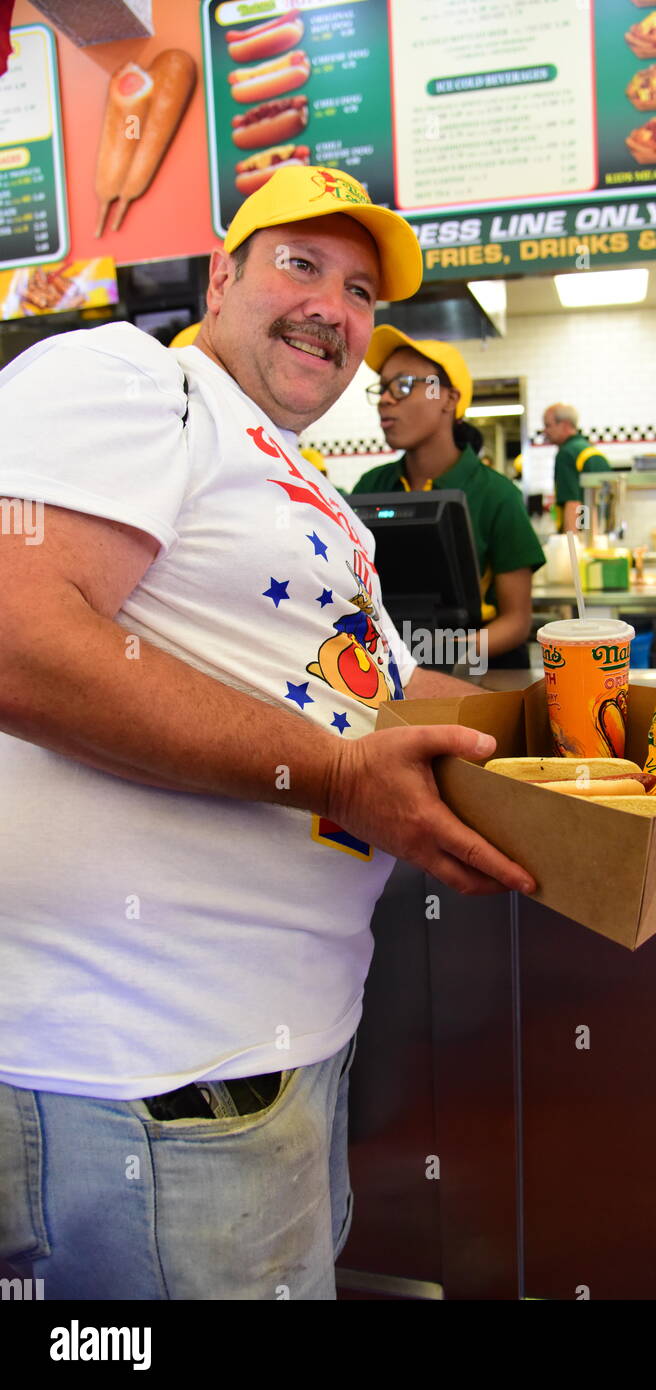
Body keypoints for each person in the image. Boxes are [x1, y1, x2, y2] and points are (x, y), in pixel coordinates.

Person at [0, 165, 535, 1302]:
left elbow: (355, 690)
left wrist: (547, 740)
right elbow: (18, 641)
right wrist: (344, 770)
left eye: (359, 293)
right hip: (152, 1080)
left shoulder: (304, 483)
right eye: (300, 264)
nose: (331, 311)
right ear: (221, 275)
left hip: (278, 1054)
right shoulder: (132, 380)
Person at [352, 328, 545, 669]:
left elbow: (516, 621)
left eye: (403, 385)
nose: (386, 398)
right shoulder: (371, 486)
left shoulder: (497, 494)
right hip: (387, 669)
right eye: (382, 388)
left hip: (480, 672)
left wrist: (444, 655)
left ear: (449, 399)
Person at [542, 402, 610, 532]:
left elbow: (572, 504)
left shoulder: (567, 453)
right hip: (601, 532)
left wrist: (571, 548)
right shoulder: (590, 450)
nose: (545, 431)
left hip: (582, 535)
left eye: (548, 425)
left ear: (565, 425)